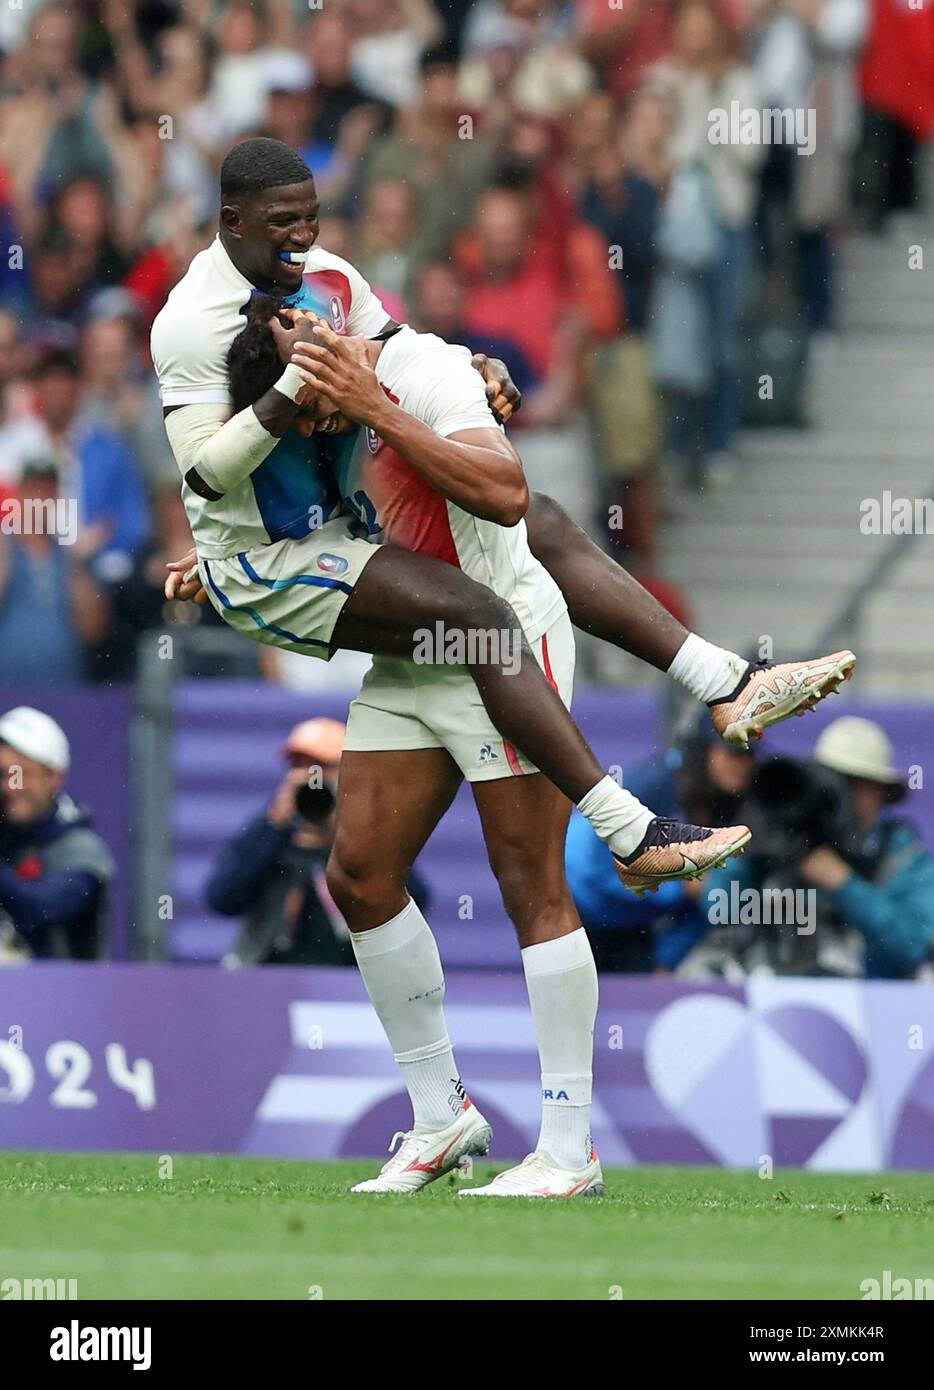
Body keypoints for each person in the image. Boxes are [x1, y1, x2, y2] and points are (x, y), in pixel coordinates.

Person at [699, 717, 934, 979]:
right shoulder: (790, 835)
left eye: (853, 784)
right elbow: (718, 908)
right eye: (832, 781)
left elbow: (913, 945)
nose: (841, 795)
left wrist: (842, 883)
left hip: (872, 1003)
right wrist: (755, 846)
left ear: (880, 792)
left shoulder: (900, 852)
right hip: (777, 990)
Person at [205, 716, 429, 967]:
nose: (308, 776)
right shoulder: (270, 833)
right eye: (297, 765)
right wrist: (274, 826)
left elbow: (415, 901)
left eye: (320, 766)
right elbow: (222, 898)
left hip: (347, 985)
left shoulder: (366, 836)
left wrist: (349, 831)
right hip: (268, 982)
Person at [565, 721, 757, 973]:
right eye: (734, 752)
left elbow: (710, 895)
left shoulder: (736, 806)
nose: (743, 764)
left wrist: (666, 960)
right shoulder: (652, 785)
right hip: (576, 902)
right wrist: (679, 887)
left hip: (632, 923)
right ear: (705, 751)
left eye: (750, 754)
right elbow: (598, 871)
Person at [0, 706, 113, 960]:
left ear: (54, 777)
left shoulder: (81, 848)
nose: (9, 787)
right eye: (2, 774)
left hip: (65, 997)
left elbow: (42, 908)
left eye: (21, 774)